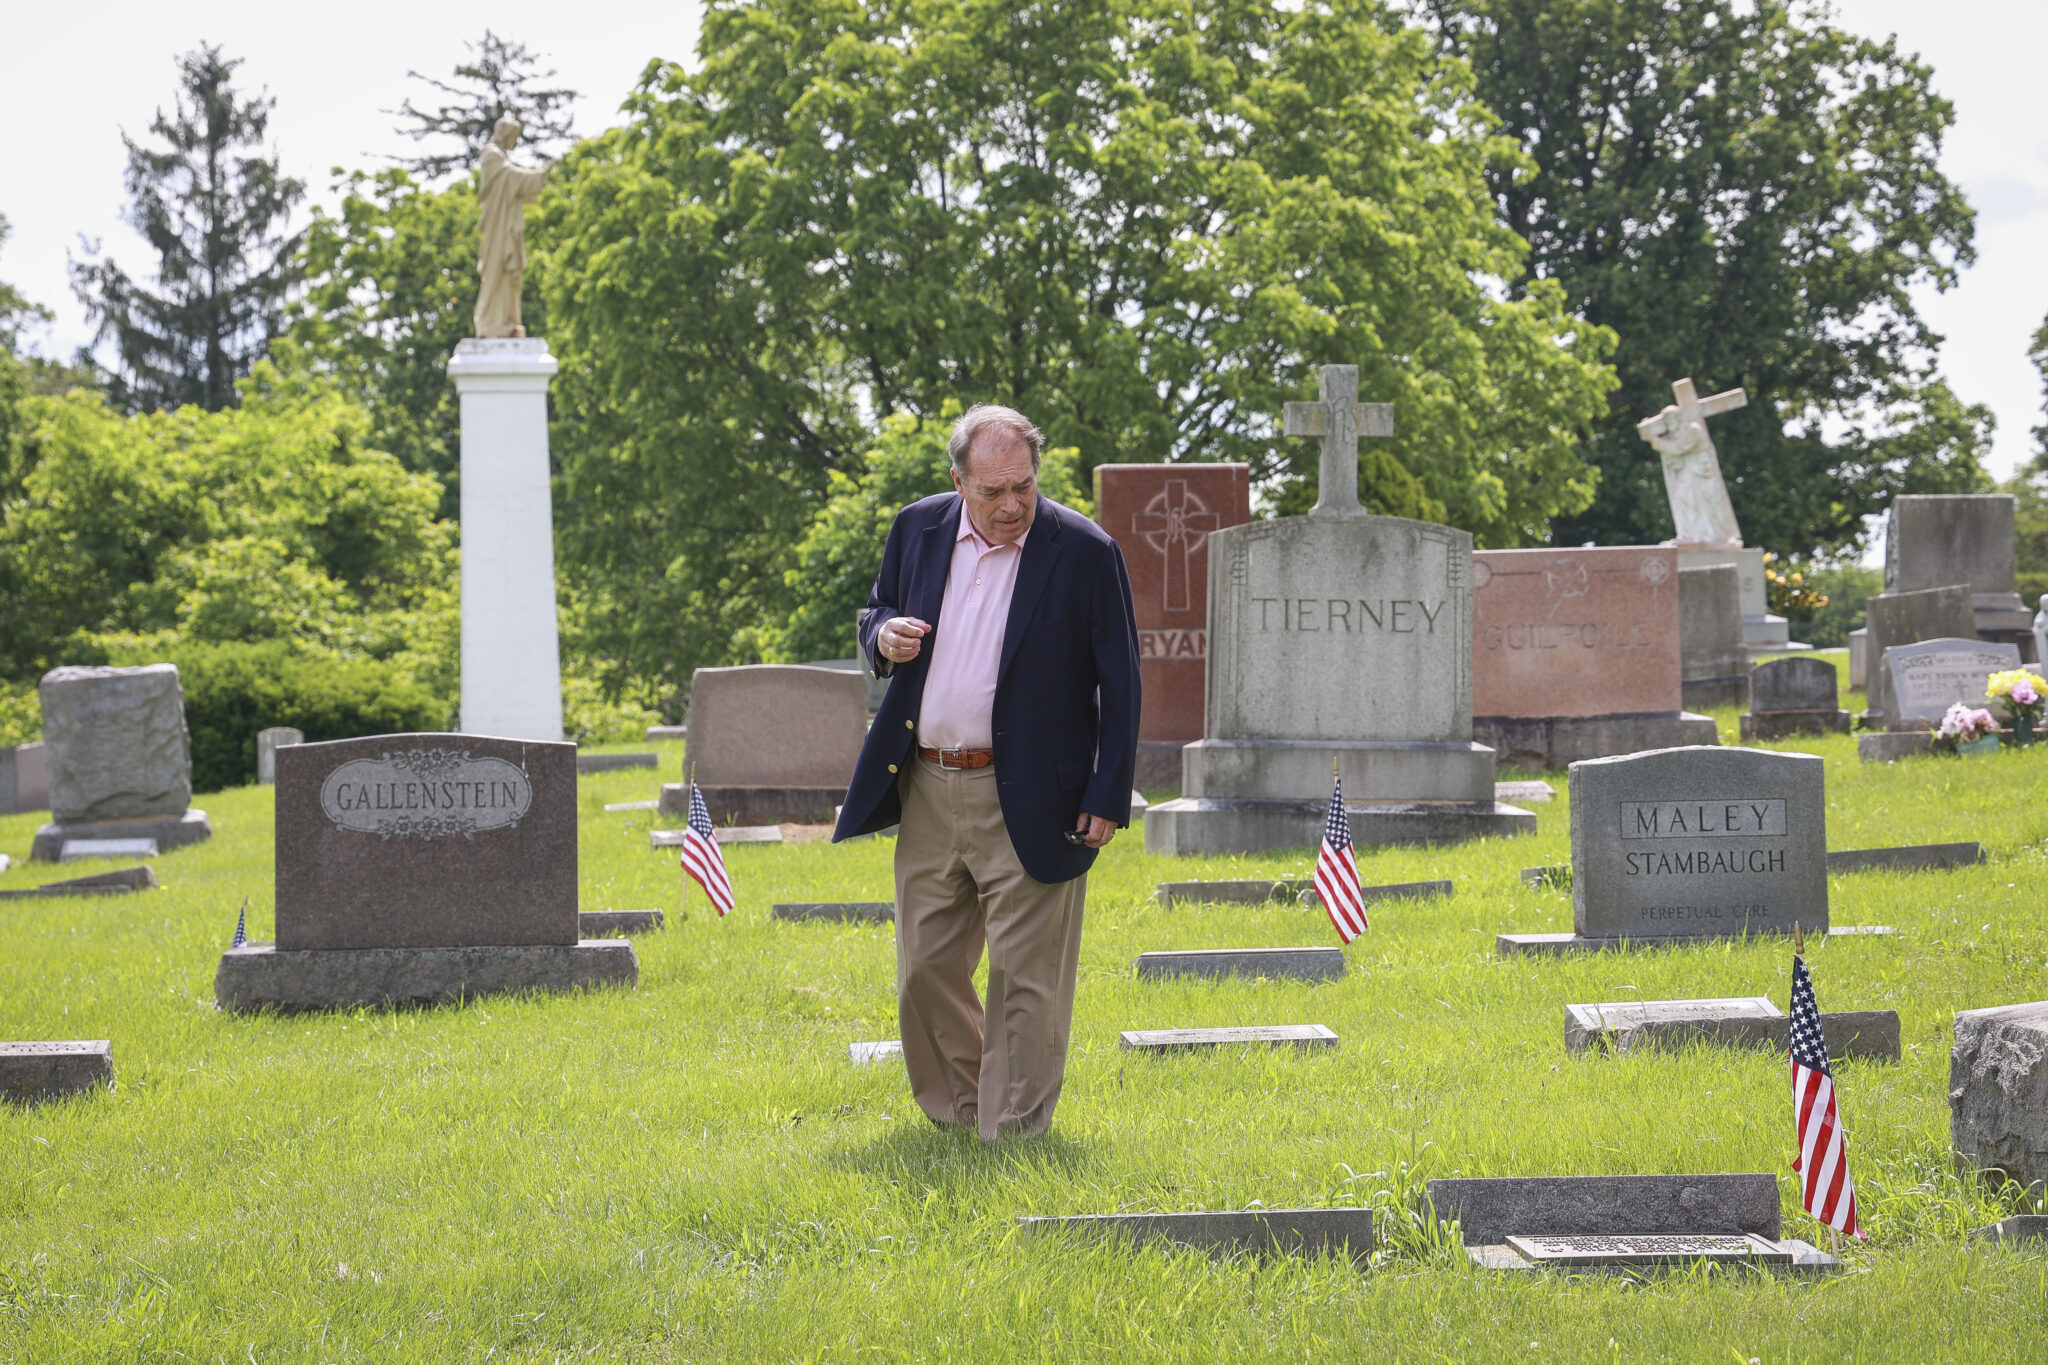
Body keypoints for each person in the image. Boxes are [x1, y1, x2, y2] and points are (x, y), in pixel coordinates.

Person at [833, 404, 1140, 1142]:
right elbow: (875, 608)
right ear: (958, 481)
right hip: (929, 785)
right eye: (993, 491)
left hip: (1039, 793)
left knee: (1026, 979)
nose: (1010, 507)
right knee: (924, 968)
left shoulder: (1085, 551)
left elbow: (1123, 682)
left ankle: (1013, 1130)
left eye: (1024, 488)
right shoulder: (918, 527)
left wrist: (1107, 793)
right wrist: (883, 635)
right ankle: (963, 1108)